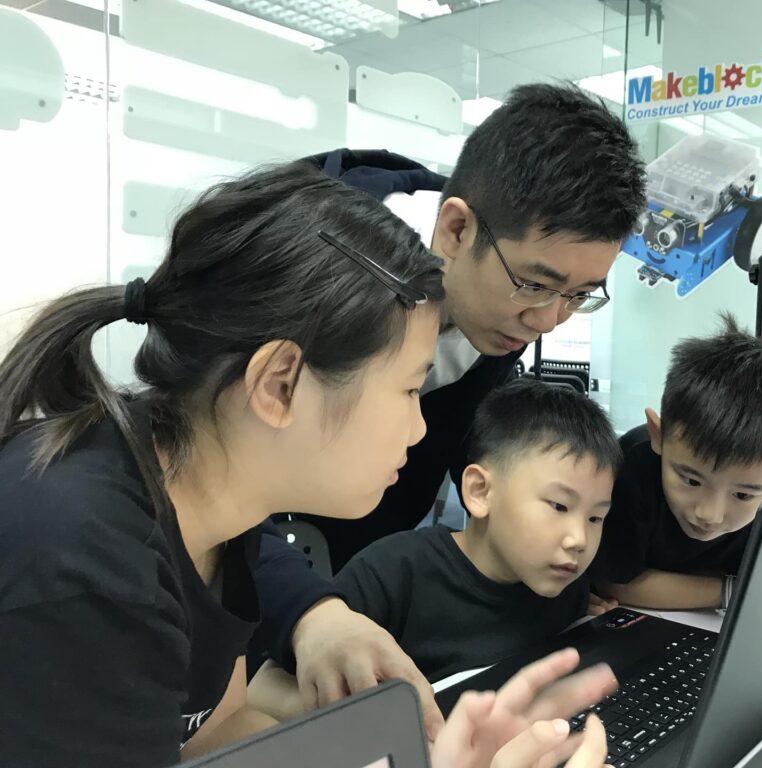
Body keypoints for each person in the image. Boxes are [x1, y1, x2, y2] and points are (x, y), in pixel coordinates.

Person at [0, 160, 616, 768]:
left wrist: (417, 755)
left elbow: (219, 732)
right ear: (280, 384)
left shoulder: (220, 514)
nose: (421, 427)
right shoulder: (85, 564)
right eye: (409, 389)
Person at [251, 82, 647, 730]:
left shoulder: (497, 303)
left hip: (357, 586)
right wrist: (309, 611)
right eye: (536, 284)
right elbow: (212, 477)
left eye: (579, 295)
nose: (548, 319)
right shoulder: (310, 273)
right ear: (456, 229)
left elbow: (482, 457)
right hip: (249, 577)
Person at [250, 379, 620, 717]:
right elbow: (260, 690)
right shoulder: (392, 574)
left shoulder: (565, 587)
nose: (579, 539)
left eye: (596, 518)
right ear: (480, 492)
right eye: (559, 506)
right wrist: (383, 715)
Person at [592, 314, 762, 612]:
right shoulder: (630, 467)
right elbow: (613, 582)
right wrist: (735, 590)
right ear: (658, 436)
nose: (709, 515)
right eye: (691, 480)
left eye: (743, 495)